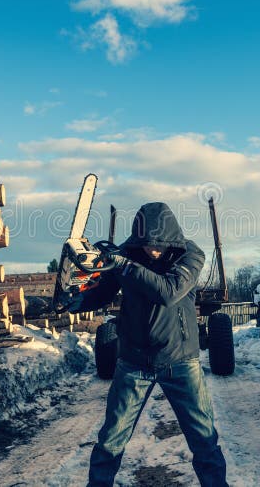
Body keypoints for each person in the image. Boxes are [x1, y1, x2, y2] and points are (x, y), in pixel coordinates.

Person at [62, 201, 229, 487]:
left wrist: (125, 265)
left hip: (180, 362)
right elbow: (103, 292)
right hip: (133, 362)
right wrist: (73, 301)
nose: (152, 250)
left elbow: (168, 291)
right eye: (146, 244)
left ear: (170, 239)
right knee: (110, 442)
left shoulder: (190, 255)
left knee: (204, 442)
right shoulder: (127, 254)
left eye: (158, 245)